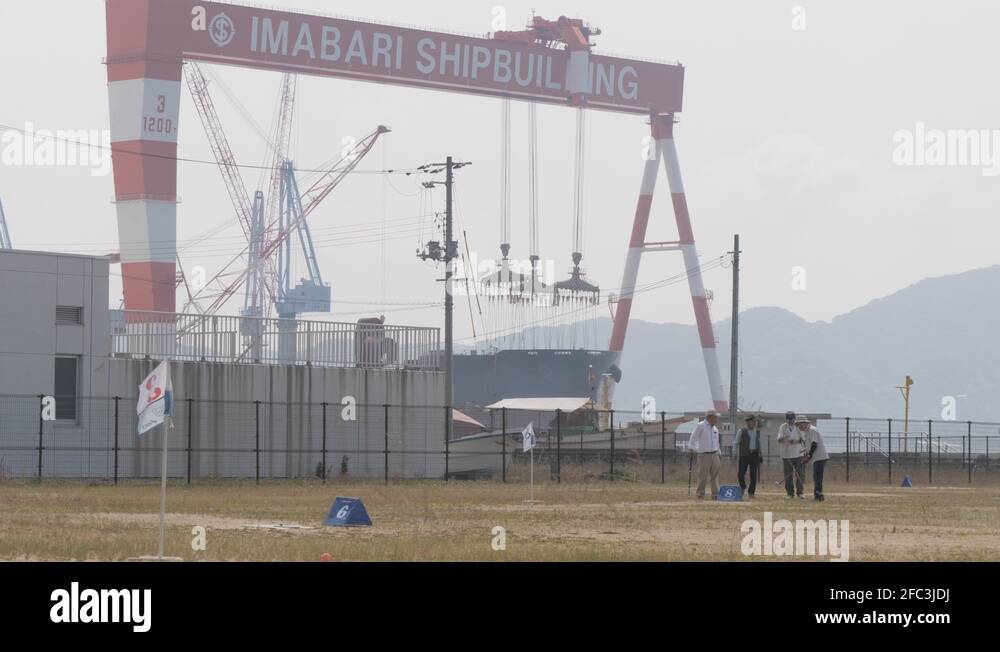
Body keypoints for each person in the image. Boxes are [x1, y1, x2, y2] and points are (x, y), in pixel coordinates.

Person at [688, 409, 722, 500]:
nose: (716, 419)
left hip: (714, 454)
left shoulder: (715, 429)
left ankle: (715, 494)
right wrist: (691, 447)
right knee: (702, 475)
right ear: (710, 417)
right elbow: (693, 436)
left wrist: (719, 452)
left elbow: (717, 442)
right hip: (704, 455)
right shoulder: (701, 426)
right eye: (715, 417)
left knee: (715, 475)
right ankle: (700, 493)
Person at [797, 416, 829, 501]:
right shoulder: (806, 432)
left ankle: (819, 496)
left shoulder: (812, 430)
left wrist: (809, 456)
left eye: (799, 424)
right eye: (797, 425)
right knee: (816, 477)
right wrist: (806, 455)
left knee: (818, 477)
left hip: (820, 457)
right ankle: (817, 495)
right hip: (816, 458)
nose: (798, 426)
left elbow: (814, 444)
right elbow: (809, 446)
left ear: (804, 423)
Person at [777, 411, 806, 499]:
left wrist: (795, 441)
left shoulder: (798, 426)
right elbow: (779, 439)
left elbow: (803, 439)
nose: (790, 421)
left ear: (794, 419)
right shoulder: (783, 427)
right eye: (789, 419)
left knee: (800, 474)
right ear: (786, 419)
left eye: (792, 419)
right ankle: (790, 493)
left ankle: (800, 492)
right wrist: (786, 438)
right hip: (786, 455)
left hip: (798, 454)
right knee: (788, 475)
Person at [737, 415, 763, 498]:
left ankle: (751, 492)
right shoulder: (741, 431)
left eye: (755, 422)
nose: (754, 423)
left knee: (753, 475)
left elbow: (758, 444)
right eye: (752, 422)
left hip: (754, 455)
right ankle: (743, 487)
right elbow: (736, 442)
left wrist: (760, 454)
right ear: (748, 422)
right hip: (744, 455)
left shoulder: (756, 431)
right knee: (740, 474)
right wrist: (734, 452)